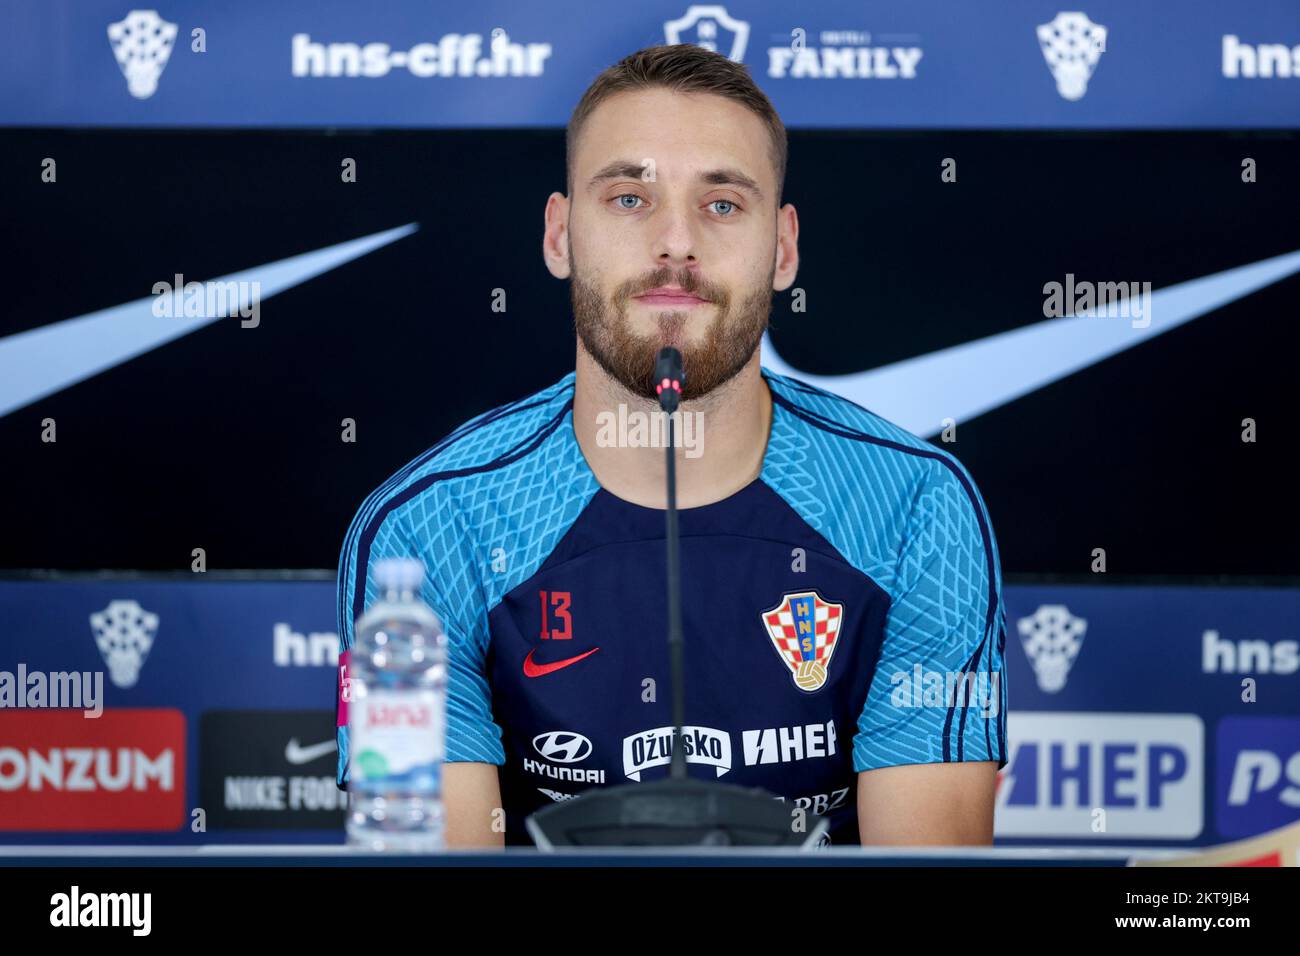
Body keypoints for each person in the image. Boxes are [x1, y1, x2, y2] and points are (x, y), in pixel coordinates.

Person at [336, 44, 1007, 847]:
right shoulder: (424, 528)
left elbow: (925, 883)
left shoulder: (917, 505)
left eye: (722, 204)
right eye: (628, 197)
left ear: (784, 249)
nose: (675, 243)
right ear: (559, 237)